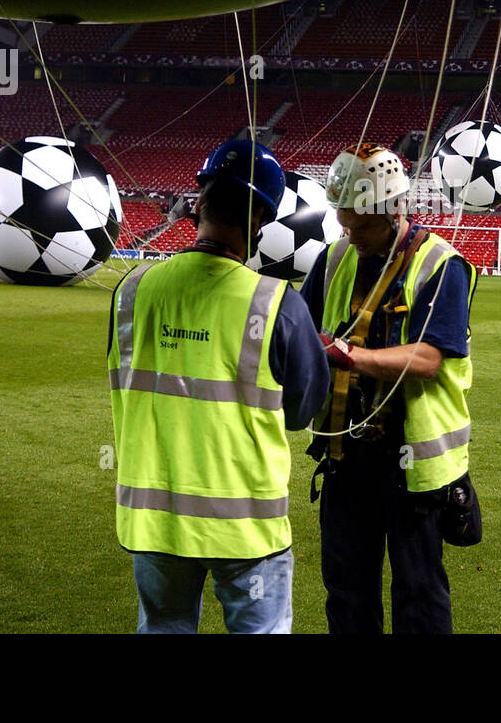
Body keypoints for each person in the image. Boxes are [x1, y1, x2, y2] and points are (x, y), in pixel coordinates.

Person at [107, 138, 330, 634]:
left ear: (199, 201)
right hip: (245, 528)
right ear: (259, 221)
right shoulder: (278, 303)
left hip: (155, 521)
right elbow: (302, 411)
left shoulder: (133, 289)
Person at [300, 141, 479, 634]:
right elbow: (300, 326)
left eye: (360, 225)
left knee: (418, 595)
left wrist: (346, 354)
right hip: (345, 457)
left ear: (393, 209)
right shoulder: (336, 256)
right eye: (344, 223)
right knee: (346, 591)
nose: (349, 234)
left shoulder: (442, 264)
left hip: (412, 463)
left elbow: (427, 358)